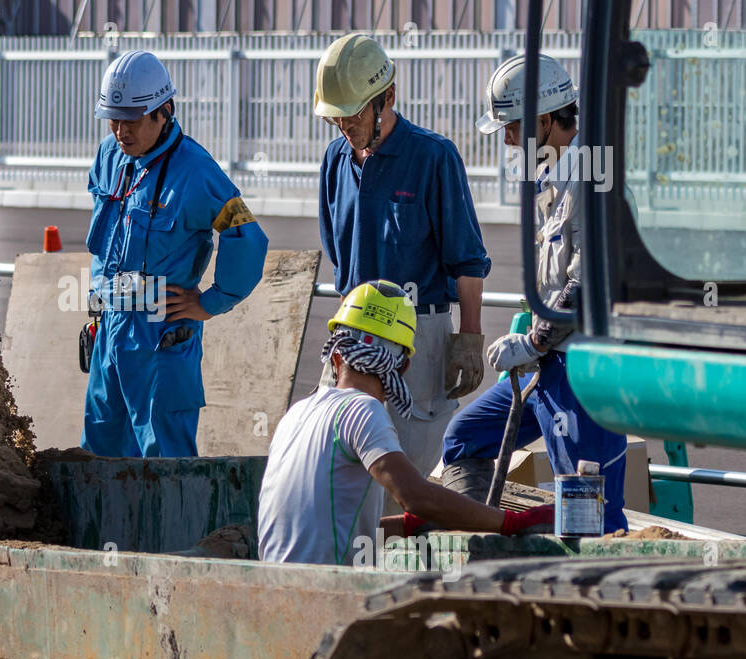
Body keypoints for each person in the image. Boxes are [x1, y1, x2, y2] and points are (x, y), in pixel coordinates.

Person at [440, 53, 628, 533]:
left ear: (544, 121)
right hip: (550, 361)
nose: (505, 138)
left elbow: (588, 284)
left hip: (585, 368)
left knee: (588, 502)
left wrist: (535, 341)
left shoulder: (593, 181)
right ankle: (481, 548)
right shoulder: (550, 175)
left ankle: (594, 595)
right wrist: (534, 337)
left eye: (510, 126)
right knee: (466, 437)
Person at [257, 280, 553, 566]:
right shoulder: (361, 409)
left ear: (336, 356)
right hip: (325, 591)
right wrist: (515, 522)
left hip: (272, 581)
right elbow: (415, 496)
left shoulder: (296, 413)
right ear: (404, 366)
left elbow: (329, 534)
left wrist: (409, 525)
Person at [313, 32, 492, 495]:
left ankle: (400, 566)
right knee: (341, 474)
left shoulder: (433, 157)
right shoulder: (335, 161)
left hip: (417, 339)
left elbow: (467, 261)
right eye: (336, 119)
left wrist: (468, 337)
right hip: (351, 337)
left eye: (352, 117)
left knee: (405, 480)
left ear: (387, 97)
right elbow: (337, 249)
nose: (344, 129)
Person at [81, 50, 269, 457]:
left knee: (164, 462)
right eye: (113, 118)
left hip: (161, 336)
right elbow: (105, 237)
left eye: (130, 120)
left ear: (162, 111)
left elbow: (249, 238)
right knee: (98, 454)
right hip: (111, 329)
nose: (120, 131)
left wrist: (211, 302)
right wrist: (100, 300)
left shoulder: (197, 171)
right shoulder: (109, 157)